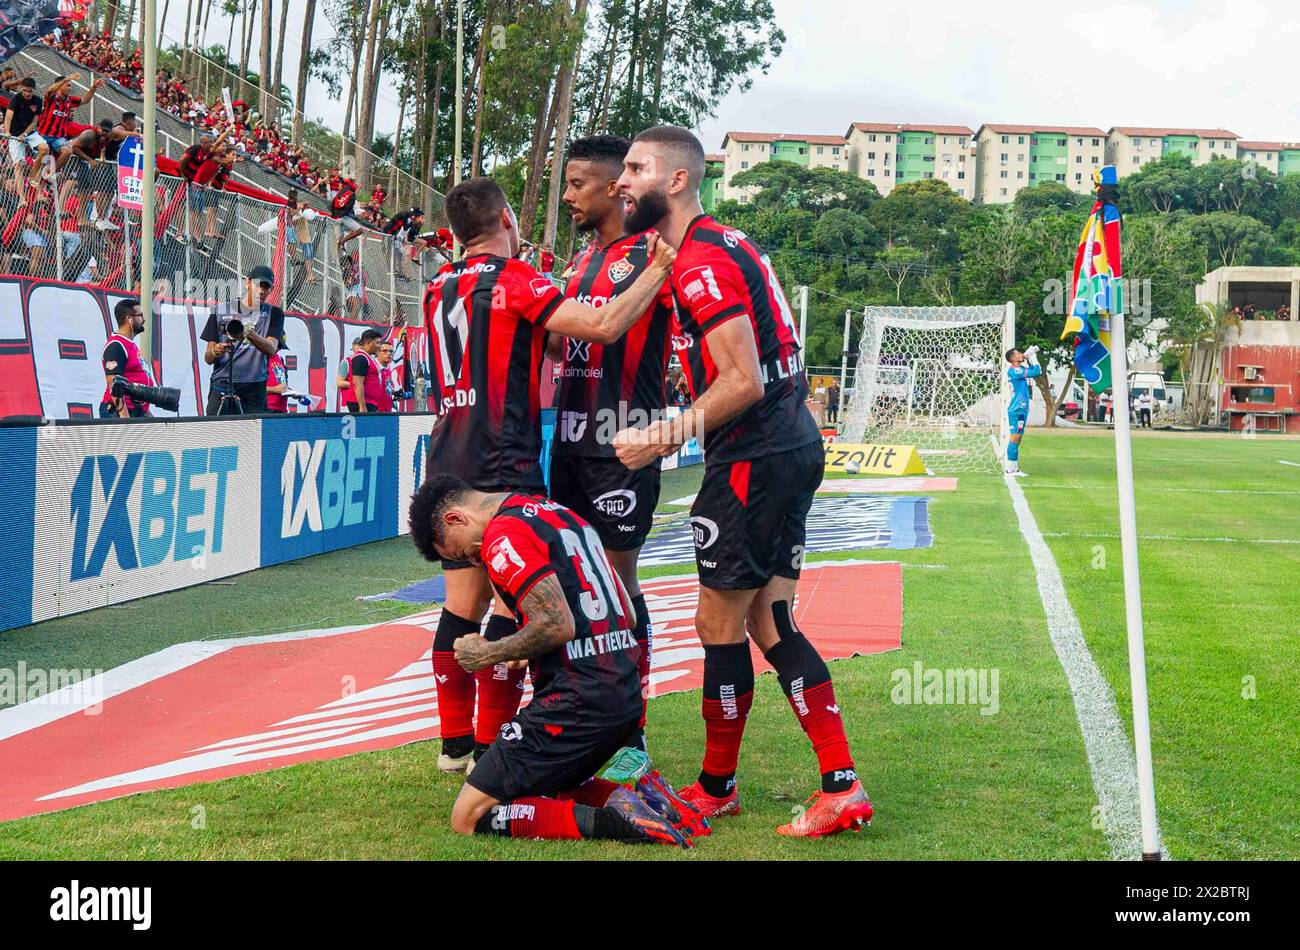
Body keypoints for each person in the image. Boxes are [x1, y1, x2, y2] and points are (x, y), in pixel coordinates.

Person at [612, 125, 871, 837]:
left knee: (716, 623)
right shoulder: (715, 248)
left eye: (635, 169)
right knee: (771, 620)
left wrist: (661, 435)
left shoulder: (700, 262)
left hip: (755, 451)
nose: (620, 182)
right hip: (787, 444)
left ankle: (716, 786)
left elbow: (742, 381)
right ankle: (839, 785)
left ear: (677, 181)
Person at [421, 176, 675, 774]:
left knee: (460, 606)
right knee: (515, 605)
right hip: (501, 463)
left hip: (447, 454)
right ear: (508, 220)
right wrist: (657, 272)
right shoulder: (516, 280)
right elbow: (606, 326)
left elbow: (535, 344)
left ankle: (454, 745)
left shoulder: (437, 286)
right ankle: (493, 742)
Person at [407, 474, 703, 848]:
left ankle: (620, 824)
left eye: (464, 552)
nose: (475, 558)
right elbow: (626, 615)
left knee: (467, 816)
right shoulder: (563, 515)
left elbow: (555, 624)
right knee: (551, 785)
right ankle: (647, 798)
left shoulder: (502, 534)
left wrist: (489, 651)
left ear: (455, 518)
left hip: (576, 706)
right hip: (623, 698)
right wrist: (524, 644)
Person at [548, 134, 675, 772]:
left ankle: (631, 735)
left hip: (622, 443)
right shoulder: (579, 264)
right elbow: (557, 346)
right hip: (567, 445)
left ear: (608, 189)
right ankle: (575, 714)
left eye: (576, 184)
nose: (568, 195)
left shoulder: (651, 255)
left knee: (619, 586)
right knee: (573, 586)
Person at [200, 265, 285, 414]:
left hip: (254, 387)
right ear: (248, 282)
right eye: (258, 285)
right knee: (216, 433)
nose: (261, 291)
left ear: (271, 289)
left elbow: (271, 349)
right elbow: (208, 358)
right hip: (223, 383)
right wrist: (216, 350)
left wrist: (246, 332)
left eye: (266, 287)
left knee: (253, 436)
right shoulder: (221, 311)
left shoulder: (274, 313)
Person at [99, 298, 153, 418]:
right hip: (119, 412)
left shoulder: (130, 343)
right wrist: (125, 420)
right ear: (129, 319)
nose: (143, 319)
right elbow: (114, 385)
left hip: (134, 410)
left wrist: (146, 412)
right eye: (140, 315)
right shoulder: (116, 345)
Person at [3, 77, 49, 195]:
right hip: (14, 134)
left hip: (29, 132)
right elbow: (8, 116)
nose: (27, 93)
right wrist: (8, 132)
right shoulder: (15, 99)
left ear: (34, 90)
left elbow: (34, 122)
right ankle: (22, 198)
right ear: (21, 89)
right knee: (18, 165)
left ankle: (32, 174)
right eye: (25, 91)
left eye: (30, 91)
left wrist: (25, 134)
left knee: (45, 148)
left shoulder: (38, 101)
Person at [1004, 346, 1040, 476]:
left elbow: (1034, 370)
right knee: (1015, 438)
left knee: (1018, 439)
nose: (1020, 355)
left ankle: (1014, 468)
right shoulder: (1015, 370)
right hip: (1017, 409)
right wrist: (1032, 356)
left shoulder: (1020, 369)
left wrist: (1027, 355)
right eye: (1018, 353)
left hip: (1022, 409)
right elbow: (1036, 371)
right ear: (1013, 358)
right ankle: (1010, 469)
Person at [344, 328, 391, 413]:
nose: (379, 346)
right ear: (368, 343)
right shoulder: (361, 358)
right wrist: (362, 407)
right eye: (377, 343)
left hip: (369, 403)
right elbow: (357, 384)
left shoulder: (368, 358)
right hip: (361, 404)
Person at [336, 336, 362, 408]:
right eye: (359, 344)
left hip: (364, 402)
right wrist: (358, 385)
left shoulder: (369, 362)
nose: (361, 347)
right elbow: (340, 382)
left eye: (363, 345)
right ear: (353, 346)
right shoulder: (346, 362)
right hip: (349, 404)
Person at [265, 348, 290, 413]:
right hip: (266, 409)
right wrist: (274, 389)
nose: (279, 349)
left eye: (280, 347)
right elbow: (251, 388)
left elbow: (281, 384)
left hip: (282, 410)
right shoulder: (259, 359)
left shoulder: (280, 358)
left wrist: (291, 392)